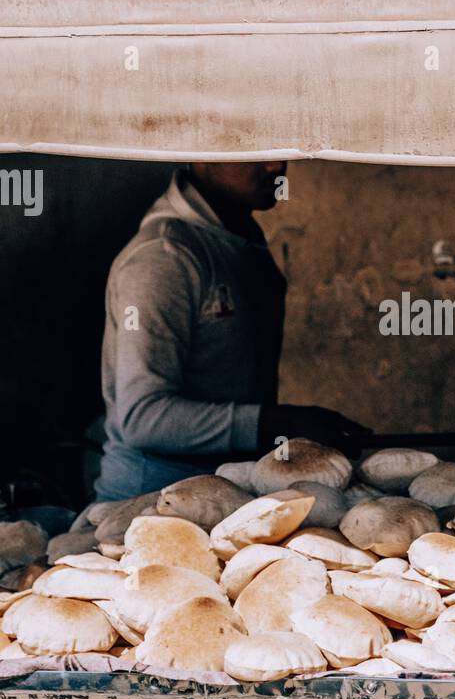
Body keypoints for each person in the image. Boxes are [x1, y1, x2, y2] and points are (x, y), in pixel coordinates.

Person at [94, 162, 366, 500]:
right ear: (203, 151)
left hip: (226, 492)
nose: (276, 165)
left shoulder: (242, 239)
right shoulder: (164, 258)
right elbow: (143, 418)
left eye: (281, 146)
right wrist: (279, 423)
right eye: (256, 147)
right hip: (148, 504)